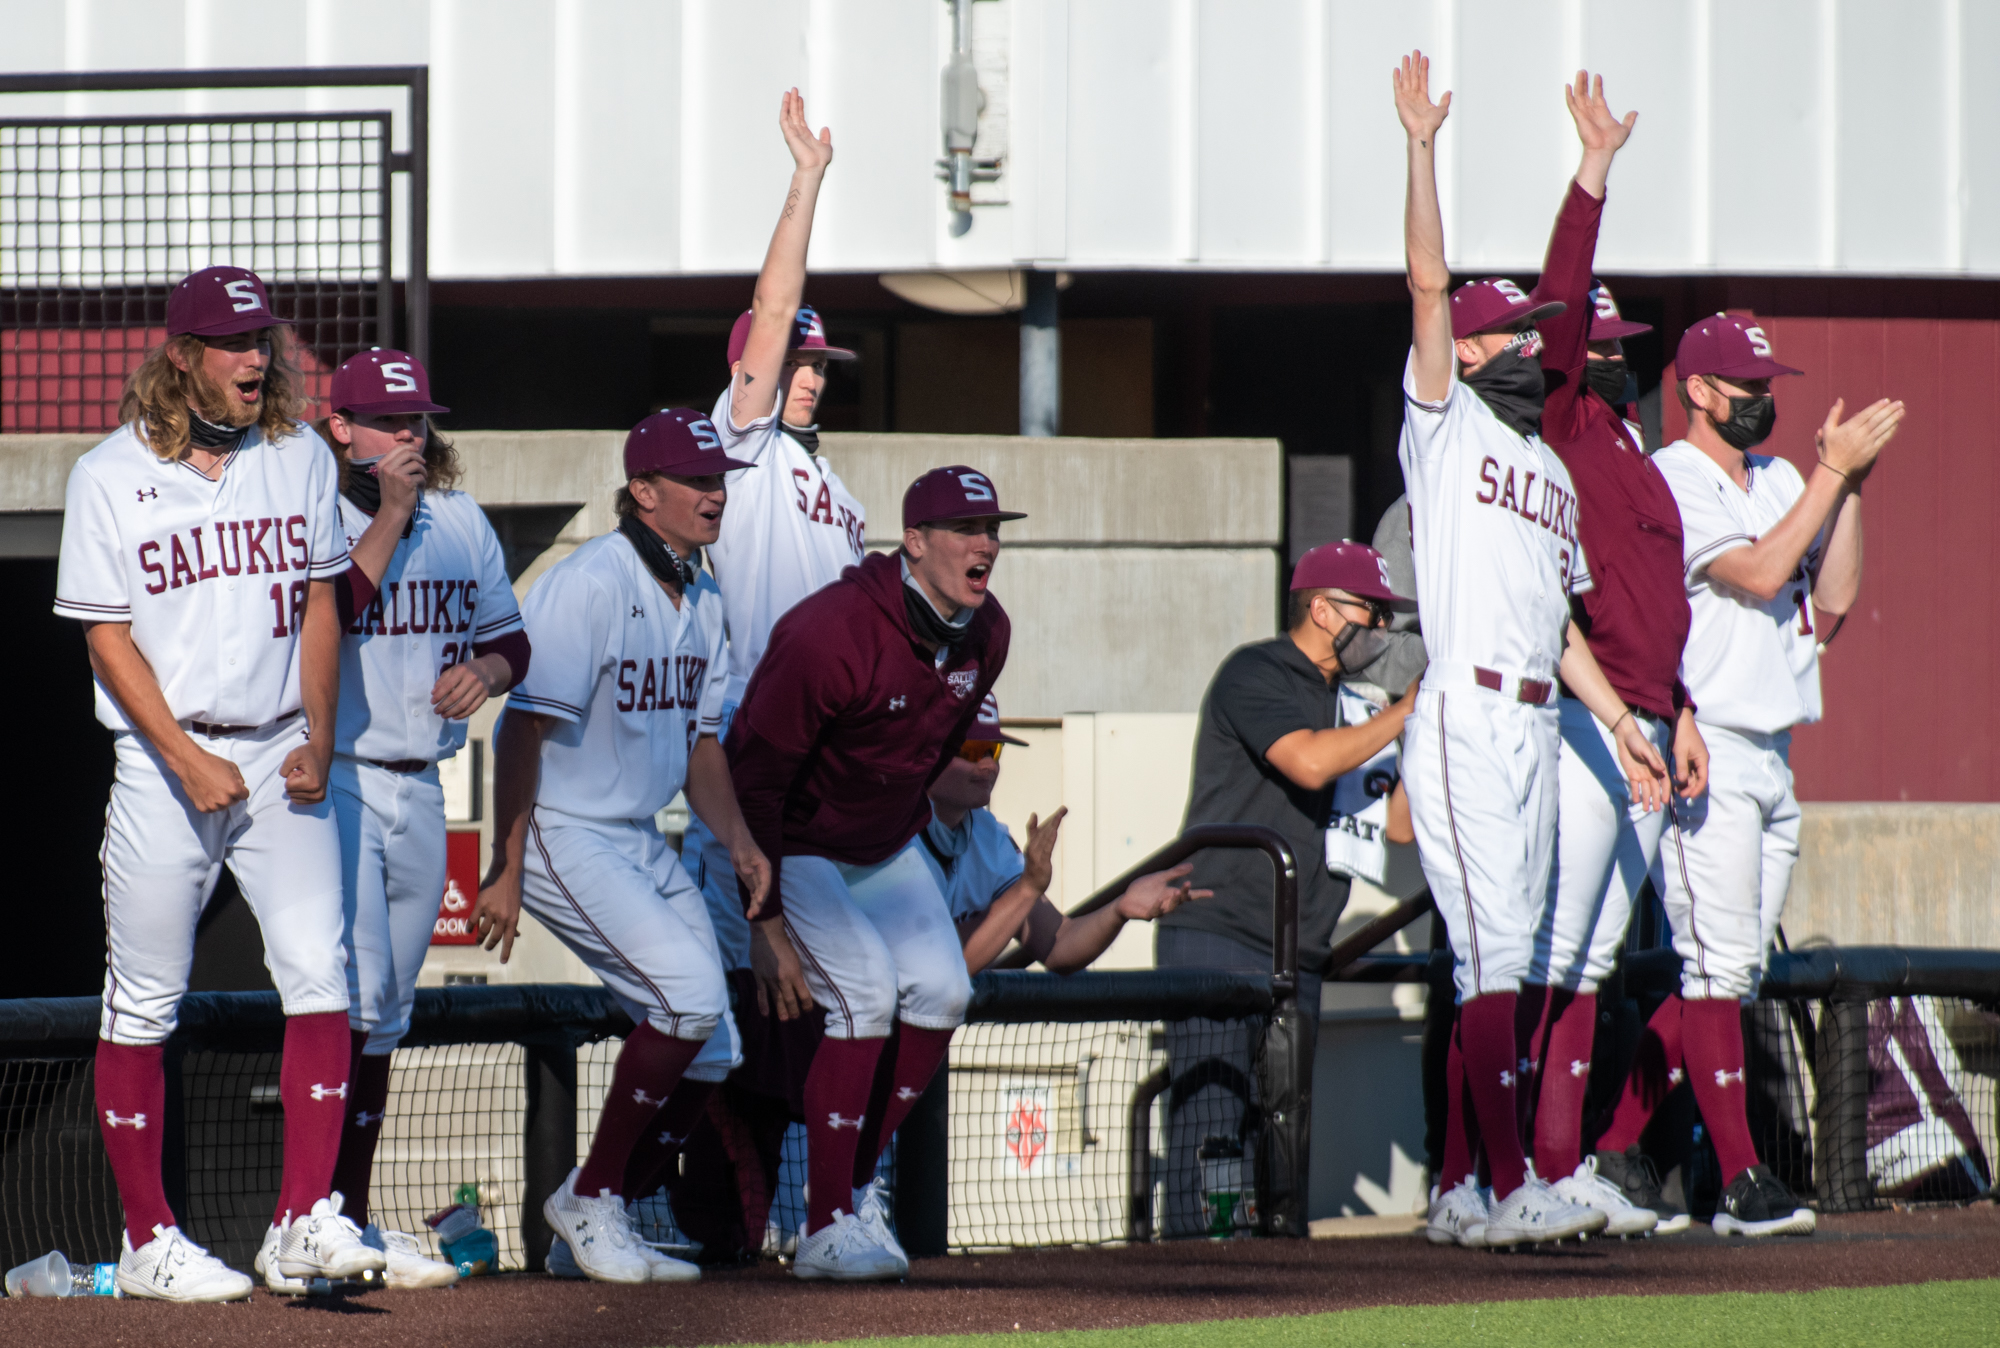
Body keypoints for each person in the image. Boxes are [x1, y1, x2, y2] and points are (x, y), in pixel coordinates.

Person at [53, 265, 383, 1299]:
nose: (256, 358)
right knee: (144, 999)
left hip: (281, 747)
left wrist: (321, 735)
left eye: (263, 341)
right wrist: (186, 756)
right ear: (182, 356)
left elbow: (321, 606)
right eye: (233, 344)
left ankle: (299, 1223)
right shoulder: (108, 473)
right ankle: (148, 1239)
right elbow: (106, 639)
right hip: (165, 757)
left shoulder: (295, 459)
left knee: (322, 973)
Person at [1392, 52, 1671, 1250]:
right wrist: (1418, 147)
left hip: (1536, 715)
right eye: (1508, 333)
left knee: (1498, 962)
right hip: (1458, 709)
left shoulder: (1549, 468)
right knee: (1497, 953)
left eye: (1529, 334)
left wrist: (1615, 722)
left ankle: (1464, 1187)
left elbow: (1563, 630)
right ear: (1468, 352)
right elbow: (1422, 281)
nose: (1528, 345)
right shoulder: (1445, 429)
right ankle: (1509, 1187)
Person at [1589, 314, 1903, 1238]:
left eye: (1765, 382)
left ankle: (1614, 1154)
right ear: (1694, 389)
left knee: (1727, 980)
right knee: (1715, 967)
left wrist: (1851, 492)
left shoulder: (1777, 478)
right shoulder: (1672, 476)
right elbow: (1765, 571)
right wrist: (1832, 475)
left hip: (1775, 744)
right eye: (1741, 384)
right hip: (1707, 738)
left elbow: (1832, 597)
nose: (1759, 397)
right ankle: (1738, 1179)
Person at [471, 408, 771, 1283]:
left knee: (714, 1045)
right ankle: (592, 1198)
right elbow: (519, 733)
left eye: (720, 480)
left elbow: (701, 744)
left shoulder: (706, 592)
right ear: (643, 492)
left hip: (638, 834)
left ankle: (593, 1222)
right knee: (684, 998)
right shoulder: (591, 581)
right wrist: (505, 865)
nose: (716, 494)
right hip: (566, 826)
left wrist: (741, 838)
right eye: (697, 481)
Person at [725, 465, 1017, 1280]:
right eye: (966, 529)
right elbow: (755, 782)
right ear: (914, 542)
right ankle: (822, 1226)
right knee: (863, 994)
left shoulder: (987, 629)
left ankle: (850, 1194)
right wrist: (767, 921)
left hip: (884, 842)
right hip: (798, 839)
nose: (985, 544)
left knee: (946, 991)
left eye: (993, 529)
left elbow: (934, 742)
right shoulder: (830, 632)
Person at [1513, 73, 1711, 1240]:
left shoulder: (1637, 454)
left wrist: (1679, 708)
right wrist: (1590, 176)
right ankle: (1513, 1170)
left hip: (1646, 720)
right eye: (1604, 343)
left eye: (1622, 345)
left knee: (1589, 958)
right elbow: (1555, 298)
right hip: (1584, 718)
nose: (1613, 358)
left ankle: (1562, 1163)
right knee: (1546, 952)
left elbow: (1658, 611)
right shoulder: (1568, 424)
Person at [668, 90, 862, 1261]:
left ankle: (806, 1217)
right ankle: (655, 1206)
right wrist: (805, 184)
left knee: (822, 1008)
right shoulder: (733, 447)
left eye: (819, 362)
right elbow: (774, 302)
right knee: (719, 1021)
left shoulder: (830, 488)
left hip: (819, 782)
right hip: (732, 767)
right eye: (794, 354)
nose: (808, 369)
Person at [310, 349, 530, 1290]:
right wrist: (392, 515)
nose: (410, 435)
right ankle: (315, 1216)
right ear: (341, 430)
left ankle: (347, 1216)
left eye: (418, 421)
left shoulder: (462, 521)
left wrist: (488, 674)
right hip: (344, 780)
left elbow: (510, 639)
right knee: (347, 1005)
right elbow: (339, 609)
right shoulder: (321, 515)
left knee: (391, 1014)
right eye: (391, 421)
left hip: (424, 784)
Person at [1158, 540, 1417, 1237]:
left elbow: (1398, 827)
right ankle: (1196, 1288)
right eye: (1375, 611)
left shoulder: (1362, 701)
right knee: (1213, 1128)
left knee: (1281, 1145)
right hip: (1219, 932)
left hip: (1296, 949)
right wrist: (1406, 712)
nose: (1385, 630)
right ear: (1325, 609)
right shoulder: (1257, 669)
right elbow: (1305, 761)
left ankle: (1269, 1292)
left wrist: (1432, 729)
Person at [926, 694, 1209, 974]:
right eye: (972, 750)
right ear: (924, 750)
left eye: (994, 751)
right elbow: (932, 966)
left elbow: (1059, 943)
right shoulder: (893, 832)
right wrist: (1027, 888)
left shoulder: (989, 836)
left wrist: (1119, 909)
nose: (989, 765)